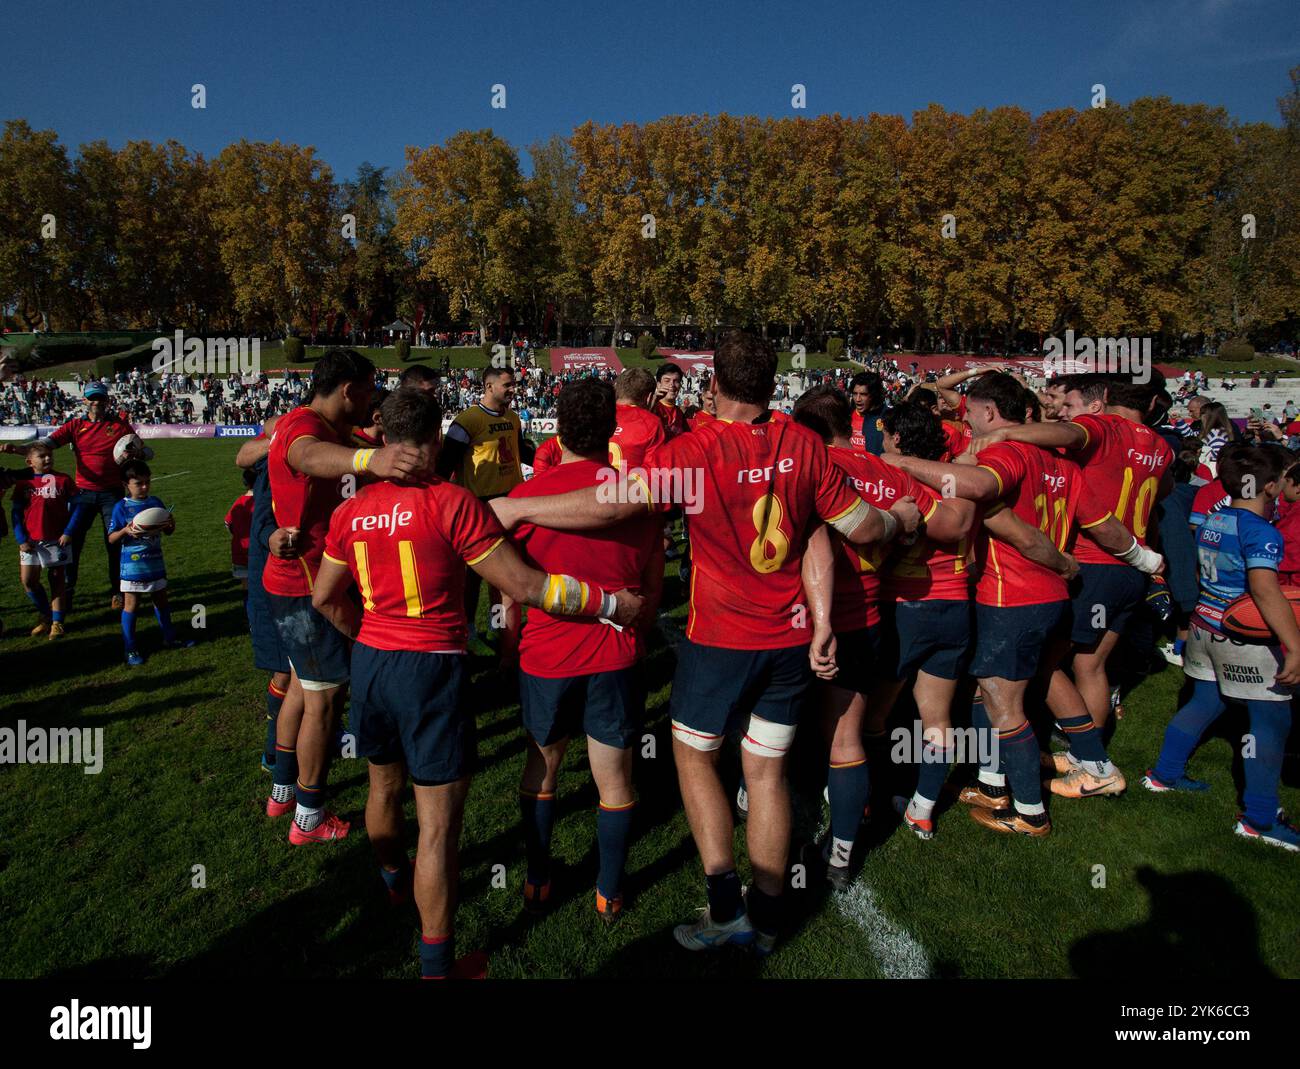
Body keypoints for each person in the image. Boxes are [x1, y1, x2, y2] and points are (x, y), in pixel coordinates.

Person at [489, 332, 921, 953]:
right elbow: (853, 528)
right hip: (789, 641)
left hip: (718, 642)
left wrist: (521, 509)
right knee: (766, 775)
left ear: (712, 385)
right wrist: (898, 524)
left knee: (695, 760)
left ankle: (726, 909)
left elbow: (613, 502)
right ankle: (769, 917)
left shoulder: (694, 453)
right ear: (774, 387)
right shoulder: (804, 446)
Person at [311, 387, 642, 978]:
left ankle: (391, 883)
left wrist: (365, 633)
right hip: (431, 666)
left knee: (381, 788)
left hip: (372, 661)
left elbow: (323, 597)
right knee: (437, 827)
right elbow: (527, 587)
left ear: (384, 441)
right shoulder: (453, 502)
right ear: (437, 440)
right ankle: (437, 968)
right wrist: (612, 601)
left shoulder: (348, 510)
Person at [792, 387, 970, 880]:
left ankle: (765, 802)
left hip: (810, 617)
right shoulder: (888, 470)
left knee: (784, 723)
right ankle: (844, 849)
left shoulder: (809, 469)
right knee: (846, 735)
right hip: (870, 614)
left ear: (803, 429)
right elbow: (955, 519)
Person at [503, 378, 661, 921]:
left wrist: (507, 640)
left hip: (545, 653)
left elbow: (510, 586)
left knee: (541, 766)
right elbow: (653, 588)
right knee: (614, 777)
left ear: (557, 427)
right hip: (615, 654)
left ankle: (538, 879)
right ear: (611, 431)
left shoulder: (523, 498)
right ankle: (609, 889)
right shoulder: (635, 496)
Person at [262, 348, 422, 845]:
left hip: (296, 582)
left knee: (303, 687)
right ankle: (309, 816)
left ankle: (283, 791)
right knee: (325, 701)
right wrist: (370, 457)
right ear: (350, 389)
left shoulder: (333, 431)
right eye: (370, 389)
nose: (373, 400)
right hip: (309, 589)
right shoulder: (302, 427)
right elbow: (305, 456)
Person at [970, 374, 1173, 736]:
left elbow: (1069, 435)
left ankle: (1085, 751)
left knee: (1045, 661)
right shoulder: (1162, 447)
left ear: (1105, 396)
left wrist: (1005, 433)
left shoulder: (1104, 428)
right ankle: (1090, 751)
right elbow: (1163, 491)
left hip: (1094, 561)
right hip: (1132, 567)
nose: (1064, 414)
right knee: (1091, 665)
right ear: (1154, 404)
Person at [1142, 445, 1300, 851]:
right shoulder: (1260, 531)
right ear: (1270, 485)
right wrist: (1294, 645)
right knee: (1270, 721)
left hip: (1204, 625)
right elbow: (1265, 590)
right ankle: (1260, 818)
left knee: (1205, 702)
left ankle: (1164, 774)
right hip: (1243, 637)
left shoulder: (1214, 517)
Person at [2, 381, 140, 612]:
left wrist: (138, 452)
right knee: (72, 543)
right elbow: (45, 445)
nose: (96, 402)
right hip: (82, 493)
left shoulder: (119, 425)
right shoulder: (74, 426)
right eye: (92, 398)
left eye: (100, 398)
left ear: (107, 400)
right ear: (85, 400)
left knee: (114, 542)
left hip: (111, 493)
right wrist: (18, 449)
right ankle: (67, 591)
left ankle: (117, 591)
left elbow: (146, 451)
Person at [436, 367, 530, 651]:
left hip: (510, 504)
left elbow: (520, 452)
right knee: (473, 576)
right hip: (478, 507)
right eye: (507, 385)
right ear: (489, 387)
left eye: (514, 384)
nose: (513, 389)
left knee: (504, 577)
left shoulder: (512, 418)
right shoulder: (466, 421)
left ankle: (498, 627)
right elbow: (445, 465)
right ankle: (469, 630)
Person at [107, 460, 191, 666]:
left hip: (155, 560)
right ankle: (130, 648)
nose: (144, 487)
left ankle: (169, 638)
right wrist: (125, 530)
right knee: (131, 605)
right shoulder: (122, 507)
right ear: (126, 484)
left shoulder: (155, 502)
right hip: (132, 564)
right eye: (139, 483)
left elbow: (168, 531)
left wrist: (171, 524)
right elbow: (111, 538)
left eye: (147, 482)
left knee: (161, 600)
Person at [10, 441, 89, 639]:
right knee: (28, 581)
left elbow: (78, 507)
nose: (48, 459)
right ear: (29, 462)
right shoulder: (23, 483)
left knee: (57, 580)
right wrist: (21, 538)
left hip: (57, 539)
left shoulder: (63, 480)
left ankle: (57, 622)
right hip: (30, 541)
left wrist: (69, 532)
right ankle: (46, 614)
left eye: (49, 455)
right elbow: (16, 513)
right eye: (42, 456)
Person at [225, 469, 255, 590]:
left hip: (239, 551)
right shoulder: (263, 502)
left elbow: (227, 523)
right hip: (259, 551)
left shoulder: (238, 502)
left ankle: (248, 608)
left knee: (246, 587)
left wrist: (238, 533)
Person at [848, 371, 887, 455]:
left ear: (874, 395)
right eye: (855, 394)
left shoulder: (887, 417)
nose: (858, 399)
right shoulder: (846, 415)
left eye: (863, 394)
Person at [651, 363, 687, 439]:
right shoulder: (652, 408)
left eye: (676, 381)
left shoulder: (680, 413)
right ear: (658, 385)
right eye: (667, 381)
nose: (672, 385)